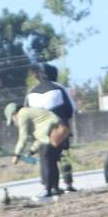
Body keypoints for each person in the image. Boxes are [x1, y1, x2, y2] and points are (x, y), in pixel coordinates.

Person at [26, 65, 76, 193]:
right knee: (63, 156)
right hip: (60, 129)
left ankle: (49, 186)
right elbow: (70, 110)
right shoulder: (59, 88)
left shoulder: (31, 93)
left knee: (46, 159)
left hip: (42, 133)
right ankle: (68, 184)